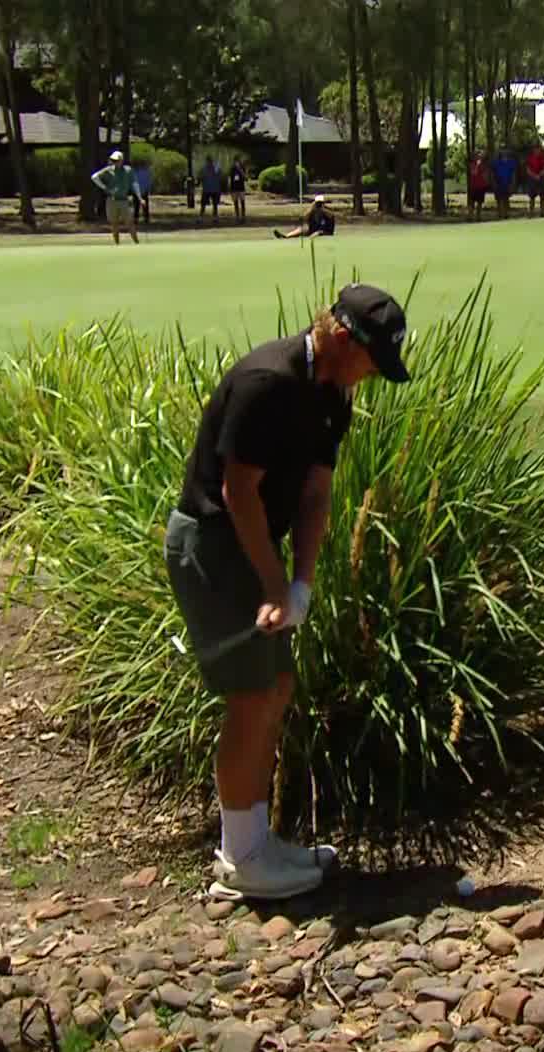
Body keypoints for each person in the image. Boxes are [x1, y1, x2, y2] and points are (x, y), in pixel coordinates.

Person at [165, 284, 410, 901]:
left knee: (276, 687)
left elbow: (314, 494)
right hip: (213, 544)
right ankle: (240, 858)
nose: (374, 376)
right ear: (342, 338)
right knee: (253, 695)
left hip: (251, 545)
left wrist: (300, 581)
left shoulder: (334, 395)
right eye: (372, 360)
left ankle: (253, 840)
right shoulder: (266, 383)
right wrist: (273, 582)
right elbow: (237, 493)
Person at [91, 150, 142, 245]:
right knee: (114, 224)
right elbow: (94, 177)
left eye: (117, 160)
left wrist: (139, 197)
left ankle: (137, 243)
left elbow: (134, 184)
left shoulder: (128, 170)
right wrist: (105, 188)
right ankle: (117, 244)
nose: (115, 162)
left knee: (129, 223)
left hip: (124, 200)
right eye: (113, 160)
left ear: (121, 160)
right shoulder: (108, 170)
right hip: (112, 200)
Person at [491, 148, 517, 220]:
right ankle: (500, 215)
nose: (504, 152)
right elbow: (493, 173)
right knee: (499, 200)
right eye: (502, 150)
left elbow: (514, 173)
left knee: (506, 199)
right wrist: (494, 183)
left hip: (508, 182)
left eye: (505, 150)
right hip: (498, 182)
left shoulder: (511, 162)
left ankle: (506, 214)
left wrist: (513, 183)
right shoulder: (496, 162)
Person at [526, 142, 544, 218]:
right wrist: (534, 175)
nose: (536, 150)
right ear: (533, 149)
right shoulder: (530, 157)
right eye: (535, 149)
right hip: (532, 179)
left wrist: (539, 175)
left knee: (542, 196)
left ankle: (542, 212)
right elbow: (528, 169)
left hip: (541, 178)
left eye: (538, 148)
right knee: (532, 197)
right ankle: (531, 212)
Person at [198, 155, 223, 223]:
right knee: (214, 205)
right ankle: (214, 218)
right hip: (215, 189)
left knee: (203, 204)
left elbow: (201, 177)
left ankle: (201, 218)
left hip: (207, 189)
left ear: (207, 161)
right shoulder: (217, 168)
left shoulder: (204, 169)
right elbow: (220, 177)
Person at [468, 151, 490, 222]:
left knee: (480, 202)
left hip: (481, 186)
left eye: (479, 156)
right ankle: (470, 216)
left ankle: (478, 217)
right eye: (476, 155)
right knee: (472, 202)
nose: (478, 157)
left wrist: (487, 182)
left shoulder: (483, 164)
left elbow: (485, 175)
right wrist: (478, 165)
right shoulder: (472, 164)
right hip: (473, 186)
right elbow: (473, 172)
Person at [132, 160, 152, 226]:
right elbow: (148, 181)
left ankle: (137, 219)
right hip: (142, 191)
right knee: (141, 206)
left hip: (137, 191)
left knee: (137, 206)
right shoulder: (146, 172)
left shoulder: (134, 171)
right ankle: (144, 218)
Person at [229, 157, 247, 223]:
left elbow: (245, 178)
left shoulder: (242, 168)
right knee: (235, 203)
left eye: (238, 161)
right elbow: (230, 178)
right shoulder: (232, 169)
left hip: (241, 188)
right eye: (235, 161)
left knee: (242, 202)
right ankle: (237, 217)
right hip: (234, 188)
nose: (237, 163)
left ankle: (243, 217)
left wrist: (240, 169)